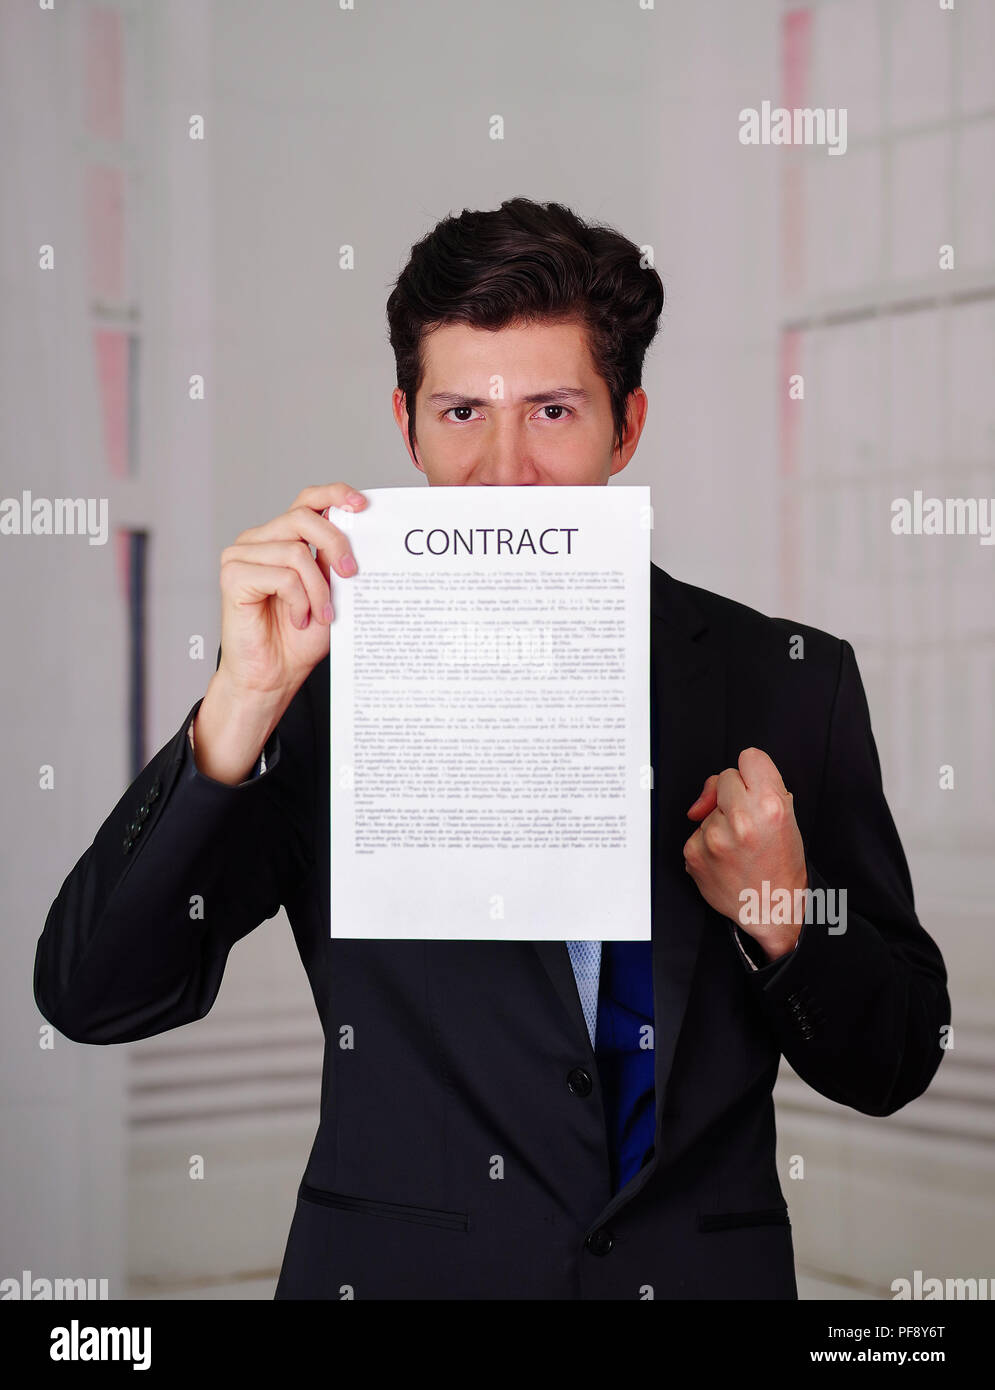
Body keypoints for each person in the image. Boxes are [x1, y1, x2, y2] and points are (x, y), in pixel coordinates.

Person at [34, 197, 950, 1300]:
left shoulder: (790, 679)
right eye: (462, 411)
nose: (502, 469)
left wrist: (785, 919)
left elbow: (895, 1056)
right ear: (407, 425)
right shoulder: (309, 683)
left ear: (627, 425)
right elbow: (92, 994)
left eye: (553, 410)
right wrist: (238, 703)